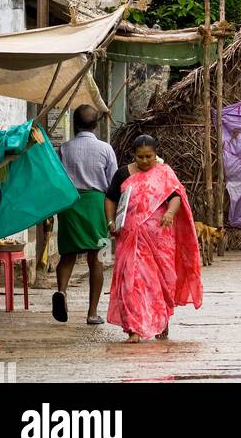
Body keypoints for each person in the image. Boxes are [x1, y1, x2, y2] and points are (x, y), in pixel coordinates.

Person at [104, 135, 202, 343]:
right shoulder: (123, 174)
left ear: (156, 154)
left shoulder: (164, 173)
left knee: (161, 283)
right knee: (131, 282)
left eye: (149, 156)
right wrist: (111, 222)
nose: (145, 161)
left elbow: (175, 197)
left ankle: (161, 319)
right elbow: (111, 198)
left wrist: (170, 213)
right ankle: (134, 329)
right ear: (134, 155)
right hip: (131, 236)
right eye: (140, 157)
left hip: (160, 239)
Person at [52, 105, 118, 326]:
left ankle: (61, 291)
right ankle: (92, 313)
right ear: (96, 124)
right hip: (97, 206)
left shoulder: (64, 149)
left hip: (70, 205)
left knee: (67, 255)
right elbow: (113, 184)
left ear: (74, 125)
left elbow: (57, 179)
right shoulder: (106, 149)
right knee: (97, 260)